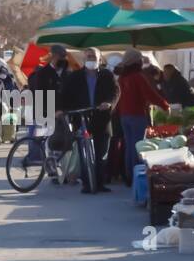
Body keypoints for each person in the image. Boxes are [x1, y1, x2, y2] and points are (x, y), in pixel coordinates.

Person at [59, 47, 118, 192]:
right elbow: (64, 94)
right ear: (84, 59)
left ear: (100, 59)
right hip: (82, 118)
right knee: (84, 152)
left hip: (102, 118)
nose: (91, 59)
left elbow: (115, 92)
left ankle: (99, 182)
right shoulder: (75, 76)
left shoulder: (107, 75)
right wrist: (60, 109)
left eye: (94, 57)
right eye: (88, 57)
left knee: (101, 153)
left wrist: (109, 103)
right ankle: (87, 183)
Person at [115, 47, 169, 186]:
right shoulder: (138, 76)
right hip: (137, 115)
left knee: (129, 146)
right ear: (135, 61)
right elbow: (149, 94)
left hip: (124, 116)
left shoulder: (122, 77)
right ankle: (137, 176)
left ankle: (129, 175)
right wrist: (164, 105)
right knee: (139, 146)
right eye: (139, 59)